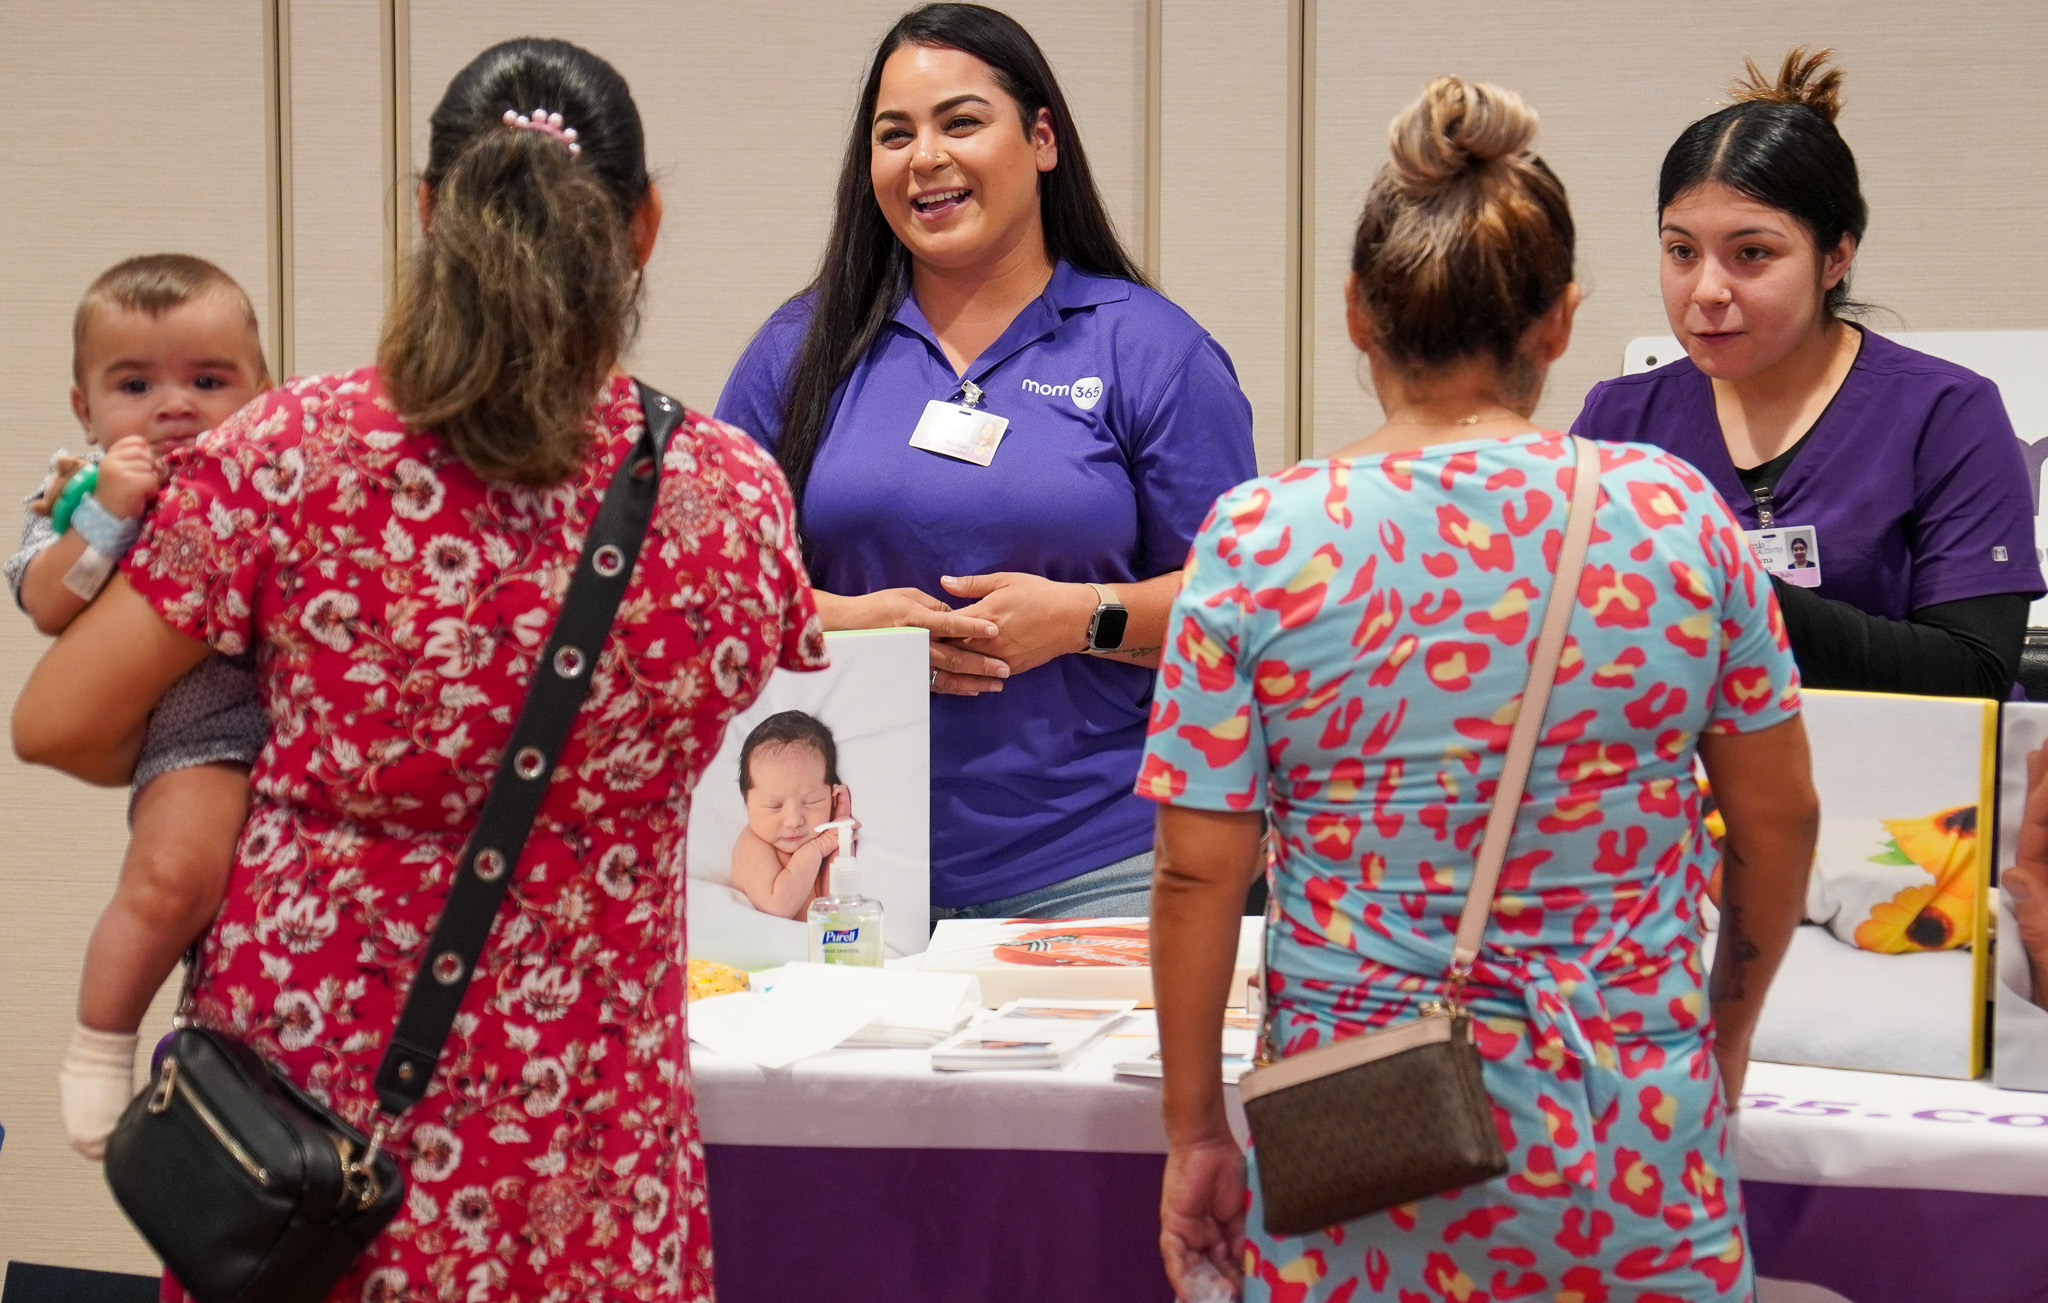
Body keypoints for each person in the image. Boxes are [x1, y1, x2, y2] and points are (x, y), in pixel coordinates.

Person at [13, 38, 823, 1302]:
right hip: (592, 1138)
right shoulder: (730, 496)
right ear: (642, 226)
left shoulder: (289, 456)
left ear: (431, 213)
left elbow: (55, 724)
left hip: (314, 1140)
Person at [1144, 77, 1819, 1302]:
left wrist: (1195, 1131)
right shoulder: (1675, 519)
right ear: (1559, 321)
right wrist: (1715, 1044)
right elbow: (1777, 821)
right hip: (1626, 1136)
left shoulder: (1256, 538)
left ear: (1356, 313)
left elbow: (1199, 869)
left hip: (1355, 1135)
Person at [716, 3, 1256, 920]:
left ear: (1042, 139)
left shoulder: (1151, 351)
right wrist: (850, 627)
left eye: (961, 122)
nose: (926, 156)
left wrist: (1082, 618)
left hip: (1097, 870)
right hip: (839, 877)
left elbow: (1239, 611)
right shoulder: (799, 349)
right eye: (896, 134)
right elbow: (703, 595)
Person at [1574, 48, 2043, 699]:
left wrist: (1729, 589)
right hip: (1687, 782)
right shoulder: (1619, 421)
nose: (1706, 289)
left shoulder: (1948, 413)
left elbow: (1974, 671)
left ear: (1834, 257)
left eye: (1752, 253)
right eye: (1681, 250)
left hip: (1910, 788)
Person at [6, 255, 271, 1160]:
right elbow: (49, 602)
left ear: (264, 390)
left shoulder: (277, 474)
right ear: (83, 408)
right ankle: (101, 1041)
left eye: (209, 379)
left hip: (311, 736)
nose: (173, 404)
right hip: (201, 735)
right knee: (166, 882)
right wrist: (111, 514)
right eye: (133, 383)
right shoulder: (77, 493)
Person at [731, 710, 854, 918]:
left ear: (831, 797)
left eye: (812, 802)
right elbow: (777, 906)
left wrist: (840, 833)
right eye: (774, 806)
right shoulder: (752, 845)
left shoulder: (812, 842)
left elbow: (833, 900)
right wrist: (818, 848)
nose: (794, 820)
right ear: (746, 802)